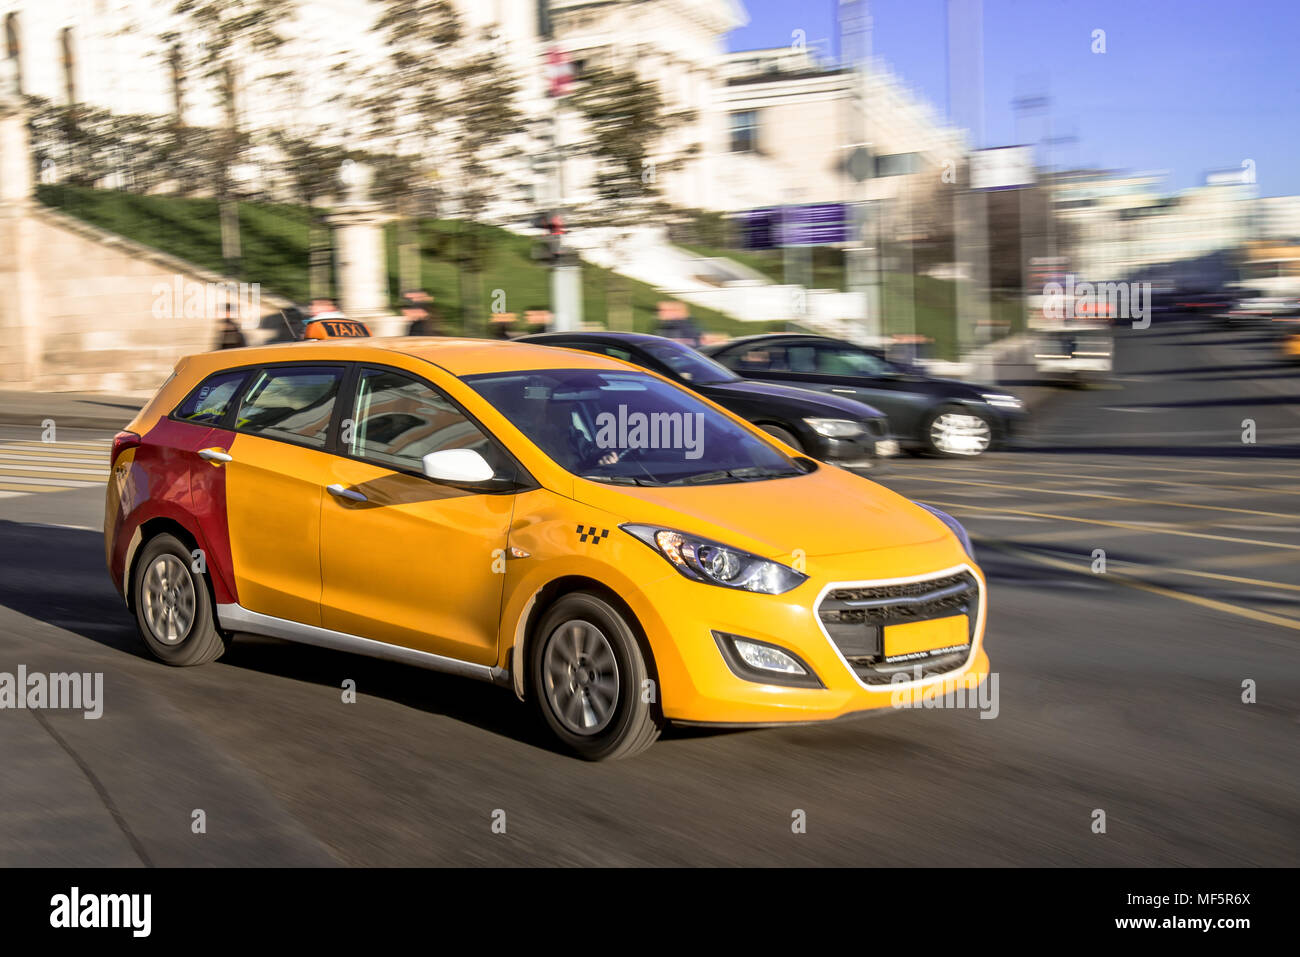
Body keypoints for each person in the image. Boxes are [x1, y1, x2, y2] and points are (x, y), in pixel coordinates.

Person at [302, 298, 370, 339]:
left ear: (328, 306)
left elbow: (308, 340)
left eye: (314, 305)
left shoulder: (316, 321)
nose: (310, 307)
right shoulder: (349, 321)